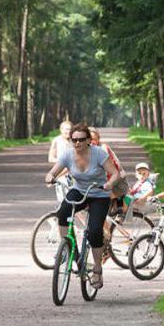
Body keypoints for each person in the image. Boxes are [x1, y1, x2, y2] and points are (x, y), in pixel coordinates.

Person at [45, 124, 119, 289]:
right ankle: (67, 247)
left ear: (88, 141)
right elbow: (53, 171)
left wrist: (109, 184)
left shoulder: (98, 153)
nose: (77, 143)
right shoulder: (67, 155)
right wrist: (50, 177)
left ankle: (98, 269)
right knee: (62, 213)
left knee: (94, 231)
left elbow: (115, 173)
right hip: (79, 191)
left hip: (99, 194)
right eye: (74, 140)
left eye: (81, 140)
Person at [89, 127, 129, 213]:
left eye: (94, 139)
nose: (92, 142)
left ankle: (120, 210)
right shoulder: (89, 151)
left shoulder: (103, 148)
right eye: (89, 139)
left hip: (117, 182)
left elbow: (109, 169)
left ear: (98, 139)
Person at [48, 120, 73, 203]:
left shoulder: (75, 141)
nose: (68, 131)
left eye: (70, 129)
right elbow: (51, 158)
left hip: (74, 173)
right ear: (61, 130)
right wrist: (63, 161)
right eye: (66, 129)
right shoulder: (56, 140)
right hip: (61, 173)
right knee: (62, 200)